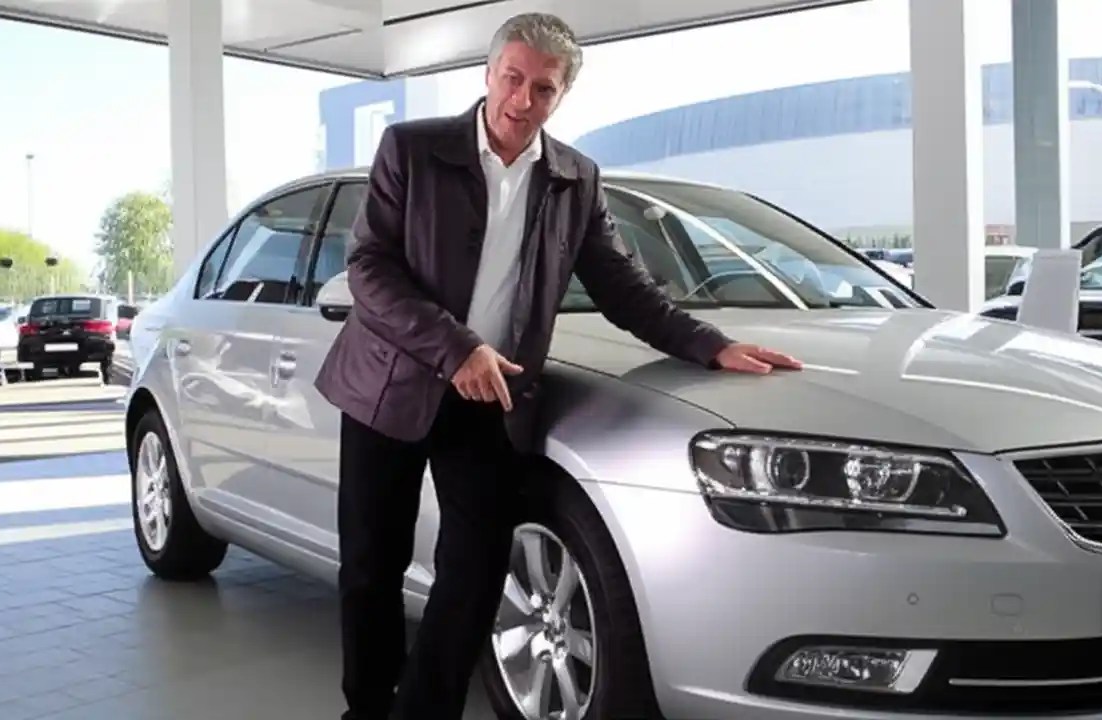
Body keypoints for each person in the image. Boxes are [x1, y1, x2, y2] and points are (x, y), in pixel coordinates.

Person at [314, 12, 802, 720]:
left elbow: (623, 286)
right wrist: (457, 347)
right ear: (487, 75)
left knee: (476, 573)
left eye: (542, 89)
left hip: (490, 396)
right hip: (389, 386)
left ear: (561, 95)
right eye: (512, 79)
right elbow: (370, 269)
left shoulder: (575, 179)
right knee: (370, 567)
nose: (522, 99)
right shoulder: (412, 150)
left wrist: (710, 344)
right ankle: (365, 708)